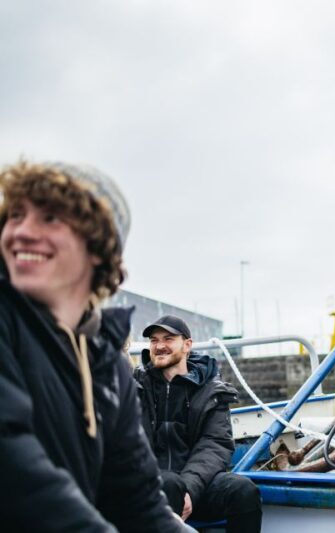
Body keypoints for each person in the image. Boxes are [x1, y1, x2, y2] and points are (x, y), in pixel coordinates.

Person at [0, 161, 183, 530]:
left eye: (50, 217)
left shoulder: (107, 364)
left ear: (99, 248)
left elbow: (138, 500)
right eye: (15, 215)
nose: (21, 231)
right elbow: (14, 470)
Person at [135, 314, 262, 533]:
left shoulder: (211, 391)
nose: (159, 346)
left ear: (187, 345)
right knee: (169, 483)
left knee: (243, 491)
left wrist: (190, 490)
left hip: (196, 488)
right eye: (154, 340)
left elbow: (215, 444)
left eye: (168, 339)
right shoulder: (135, 387)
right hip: (148, 488)